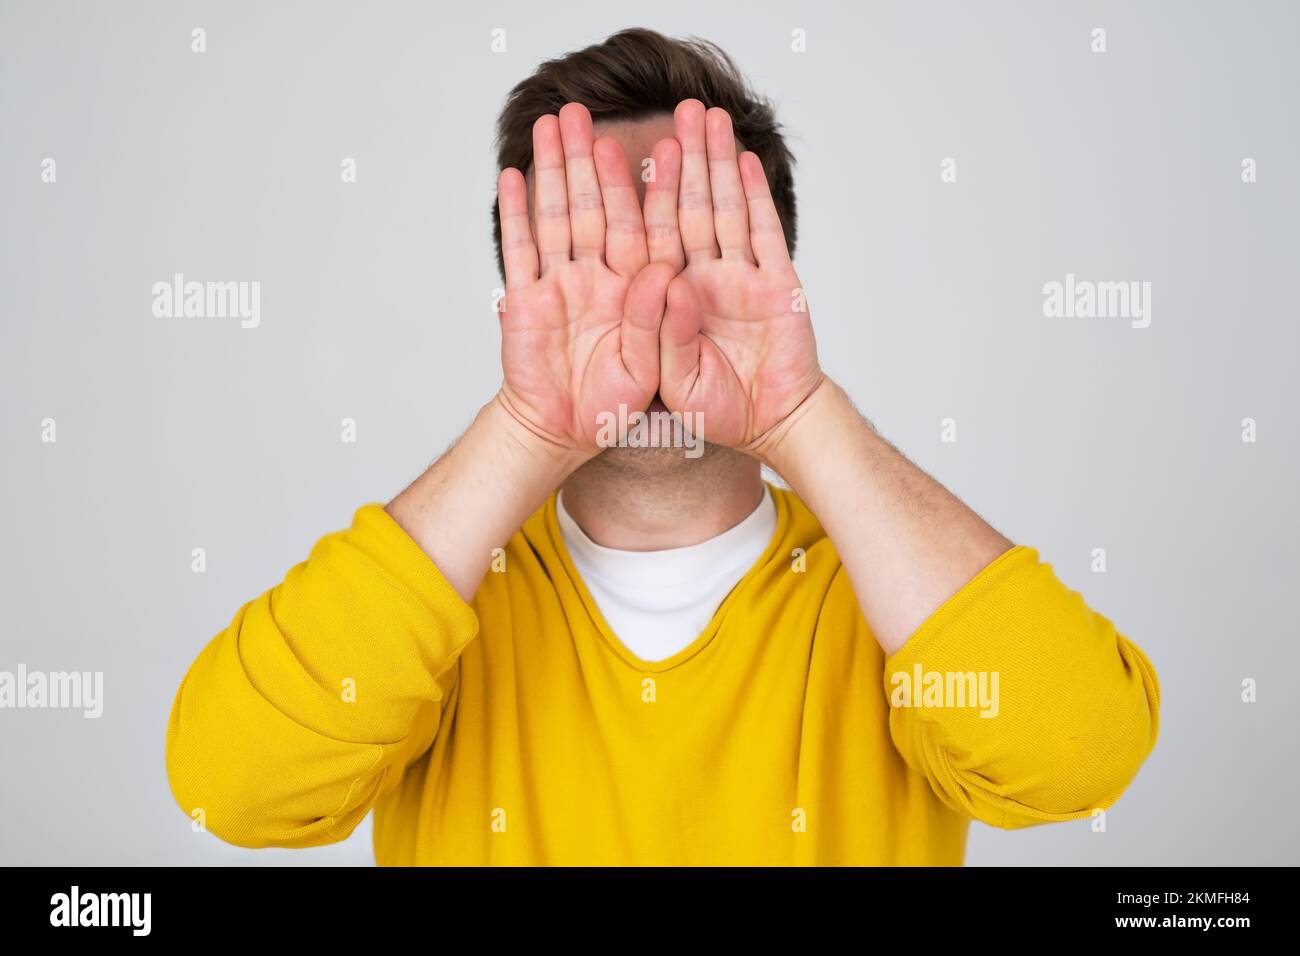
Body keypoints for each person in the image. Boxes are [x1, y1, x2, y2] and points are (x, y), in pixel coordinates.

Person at [166, 28, 1159, 865]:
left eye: (694, 253)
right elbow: (228, 786)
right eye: (596, 260)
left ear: (777, 270)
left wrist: (796, 408)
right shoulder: (440, 613)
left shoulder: (887, 603)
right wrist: (529, 425)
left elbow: (1081, 755)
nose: (647, 310)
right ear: (519, 287)